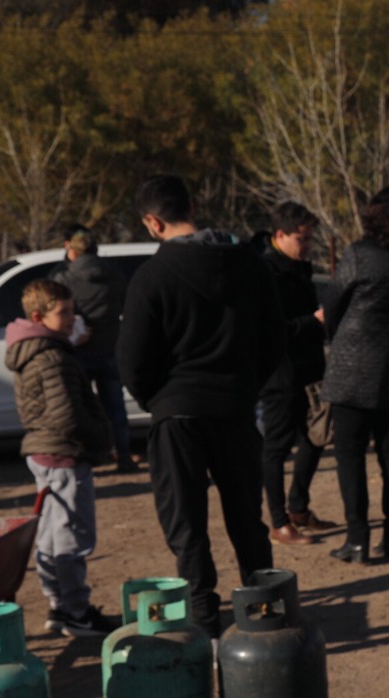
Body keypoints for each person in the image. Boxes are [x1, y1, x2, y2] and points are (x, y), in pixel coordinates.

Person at [117, 174, 283, 638]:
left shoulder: (151, 277)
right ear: (193, 204)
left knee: (187, 528)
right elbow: (274, 340)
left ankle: (205, 627)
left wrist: (163, 400)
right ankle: (265, 615)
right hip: (235, 410)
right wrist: (243, 387)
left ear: (152, 222)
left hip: (178, 417)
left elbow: (131, 362)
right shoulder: (252, 265)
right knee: (248, 521)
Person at [320, 185, 389, 563]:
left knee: (350, 457)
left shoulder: (358, 255)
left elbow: (334, 305)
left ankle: (357, 540)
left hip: (353, 371)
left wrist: (342, 340)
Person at [4, 279, 117, 637]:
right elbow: (67, 415)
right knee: (70, 536)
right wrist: (99, 438)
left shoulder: (37, 349)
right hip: (63, 455)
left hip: (46, 451)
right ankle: (77, 612)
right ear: (39, 316)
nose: (72, 318)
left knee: (52, 536)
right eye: (64, 312)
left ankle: (60, 606)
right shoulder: (52, 356)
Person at [256, 202, 338, 545]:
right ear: (280, 235)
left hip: (310, 371)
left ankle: (298, 508)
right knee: (276, 448)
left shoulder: (300, 267)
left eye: (310, 239)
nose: (307, 246)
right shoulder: (264, 273)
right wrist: (313, 322)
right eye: (301, 239)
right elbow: (267, 329)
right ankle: (278, 522)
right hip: (279, 375)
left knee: (315, 437)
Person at [52, 225, 136, 472]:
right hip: (111, 346)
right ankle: (124, 455)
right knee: (115, 407)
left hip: (79, 348)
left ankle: (87, 457)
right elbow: (125, 305)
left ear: (73, 252)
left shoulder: (64, 277)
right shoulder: (115, 274)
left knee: (79, 407)